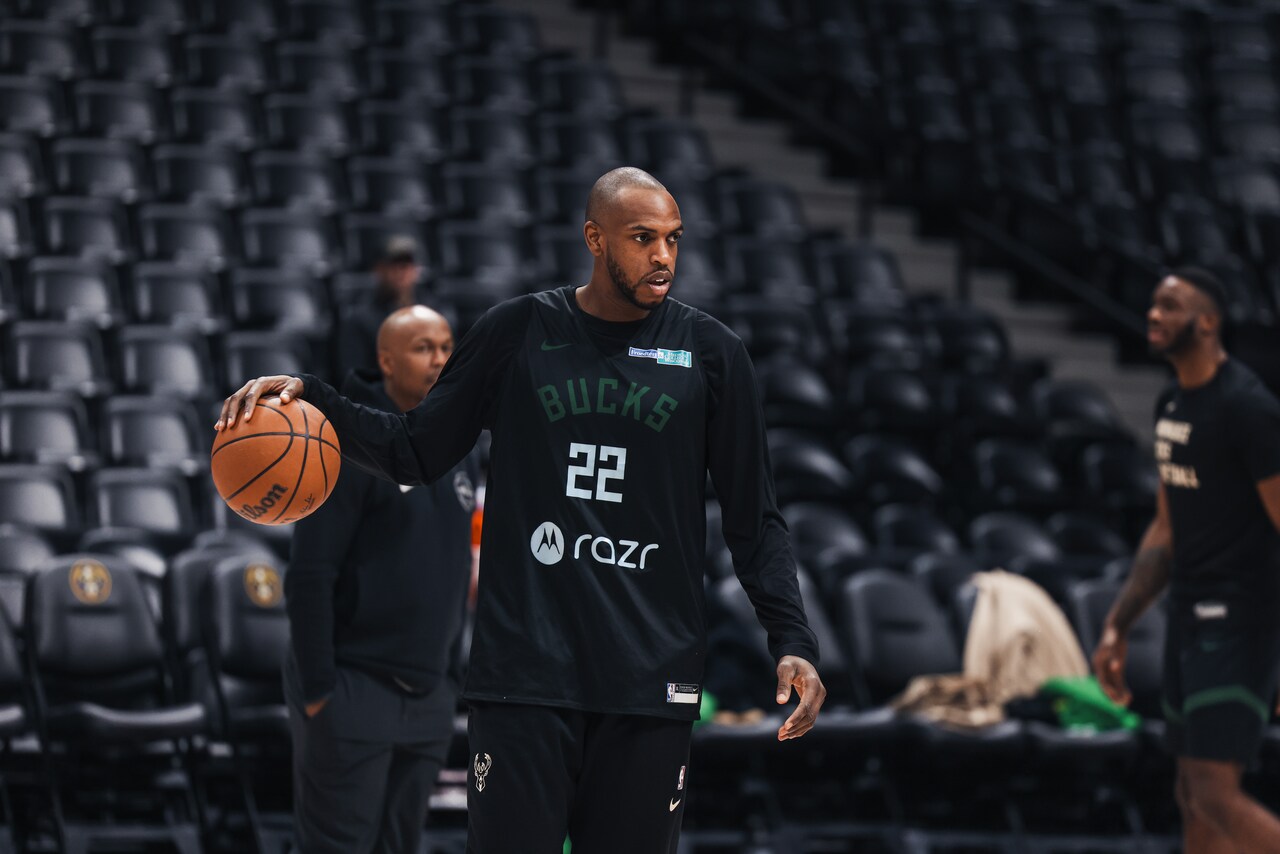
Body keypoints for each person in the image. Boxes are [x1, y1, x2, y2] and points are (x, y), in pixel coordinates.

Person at [219, 166, 827, 854]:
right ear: (595, 239)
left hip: (649, 679)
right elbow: (414, 451)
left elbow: (755, 520)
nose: (662, 256)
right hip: (525, 678)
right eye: (642, 238)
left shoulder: (714, 355)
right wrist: (317, 398)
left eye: (673, 239)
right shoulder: (518, 331)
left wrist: (793, 640)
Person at [1092, 267, 1280, 854]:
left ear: (1207, 322)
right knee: (1191, 796)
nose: (1153, 314)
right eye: (1153, 304)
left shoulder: (1247, 408)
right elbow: (1166, 527)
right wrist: (1119, 624)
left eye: (1170, 306)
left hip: (1241, 620)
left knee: (1214, 792)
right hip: (1187, 615)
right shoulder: (1172, 403)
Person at [283, 305, 478, 853]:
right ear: (386, 361)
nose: (439, 359)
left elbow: (452, 566)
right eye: (423, 348)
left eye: (446, 347)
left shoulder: (458, 446)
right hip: (354, 688)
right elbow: (310, 574)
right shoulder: (347, 446)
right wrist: (319, 692)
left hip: (429, 696)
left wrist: (447, 680)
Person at [335, 235, 426, 376]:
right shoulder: (359, 320)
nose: (401, 272)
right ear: (378, 270)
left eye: (406, 265)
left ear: (416, 270)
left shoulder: (431, 315)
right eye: (393, 265)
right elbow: (355, 378)